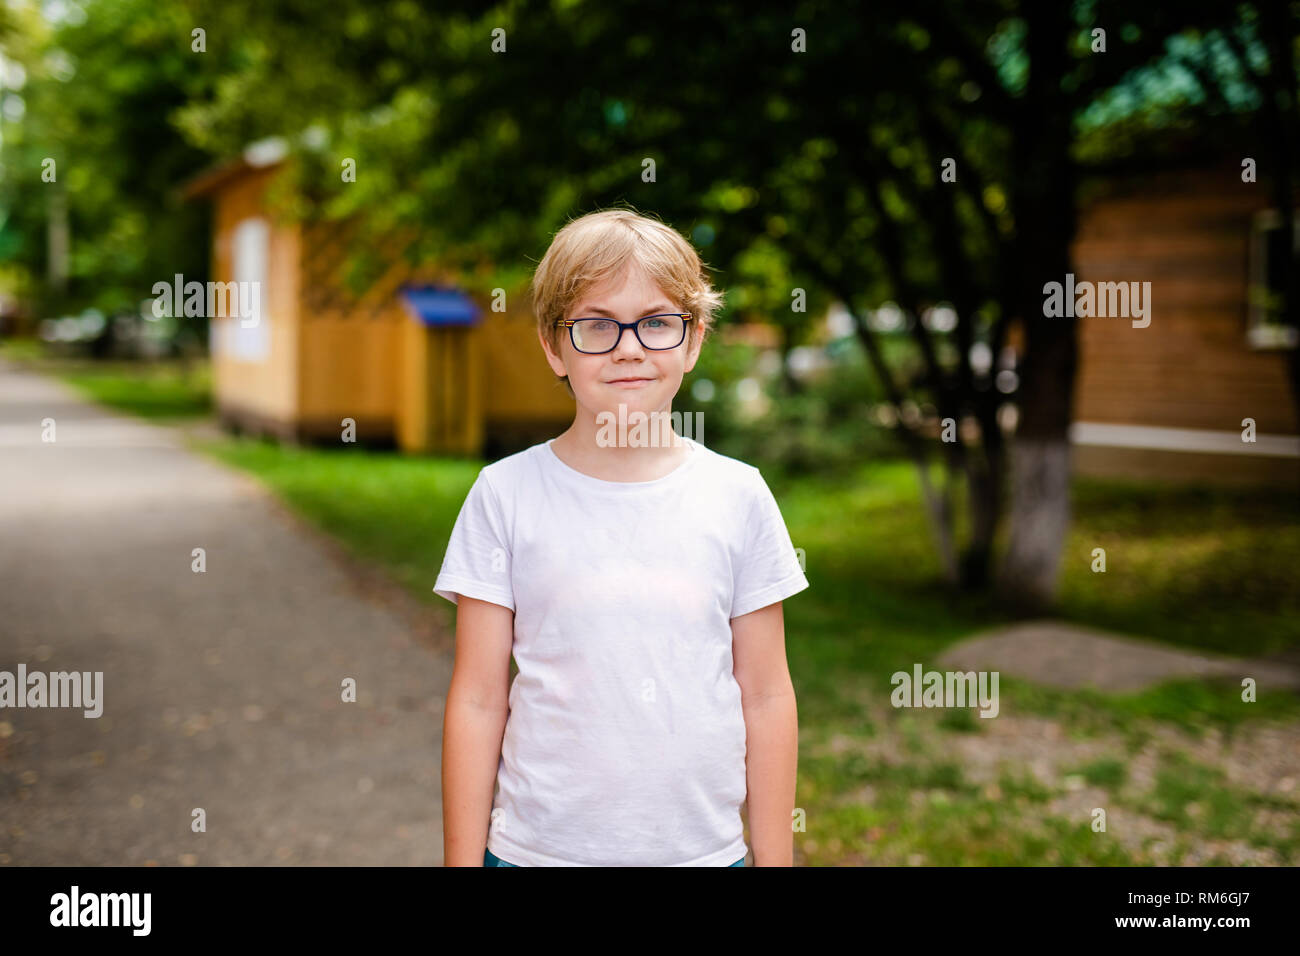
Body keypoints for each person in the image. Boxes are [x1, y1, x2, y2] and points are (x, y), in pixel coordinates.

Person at [436, 207, 809, 866]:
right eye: (597, 325)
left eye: (657, 322)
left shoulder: (739, 496)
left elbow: (767, 693)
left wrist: (773, 860)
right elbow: (477, 697)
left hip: (704, 856)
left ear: (693, 341)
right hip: (536, 856)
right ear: (554, 346)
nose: (629, 347)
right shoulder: (504, 496)